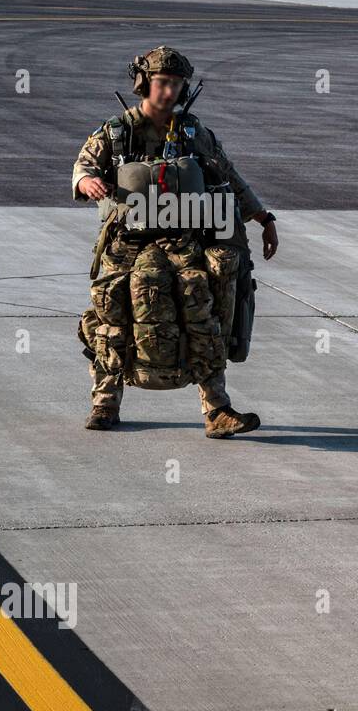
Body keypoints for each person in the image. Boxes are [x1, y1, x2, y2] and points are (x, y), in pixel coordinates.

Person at [73, 46, 278, 437]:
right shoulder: (117, 132)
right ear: (144, 84)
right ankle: (104, 404)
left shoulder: (193, 134)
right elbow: (83, 166)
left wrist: (264, 218)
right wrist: (87, 181)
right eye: (162, 82)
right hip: (127, 242)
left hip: (183, 242)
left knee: (203, 316)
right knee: (112, 319)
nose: (168, 91)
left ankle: (217, 409)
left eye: (175, 84)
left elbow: (228, 176)